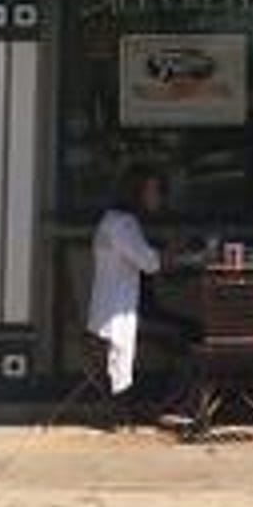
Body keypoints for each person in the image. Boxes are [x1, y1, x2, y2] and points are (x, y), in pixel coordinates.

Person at [86, 166, 168, 411]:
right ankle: (176, 399)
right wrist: (178, 255)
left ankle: (170, 398)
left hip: (103, 314)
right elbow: (150, 264)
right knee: (192, 332)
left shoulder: (111, 220)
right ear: (137, 193)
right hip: (118, 317)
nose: (158, 197)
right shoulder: (124, 225)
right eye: (154, 191)